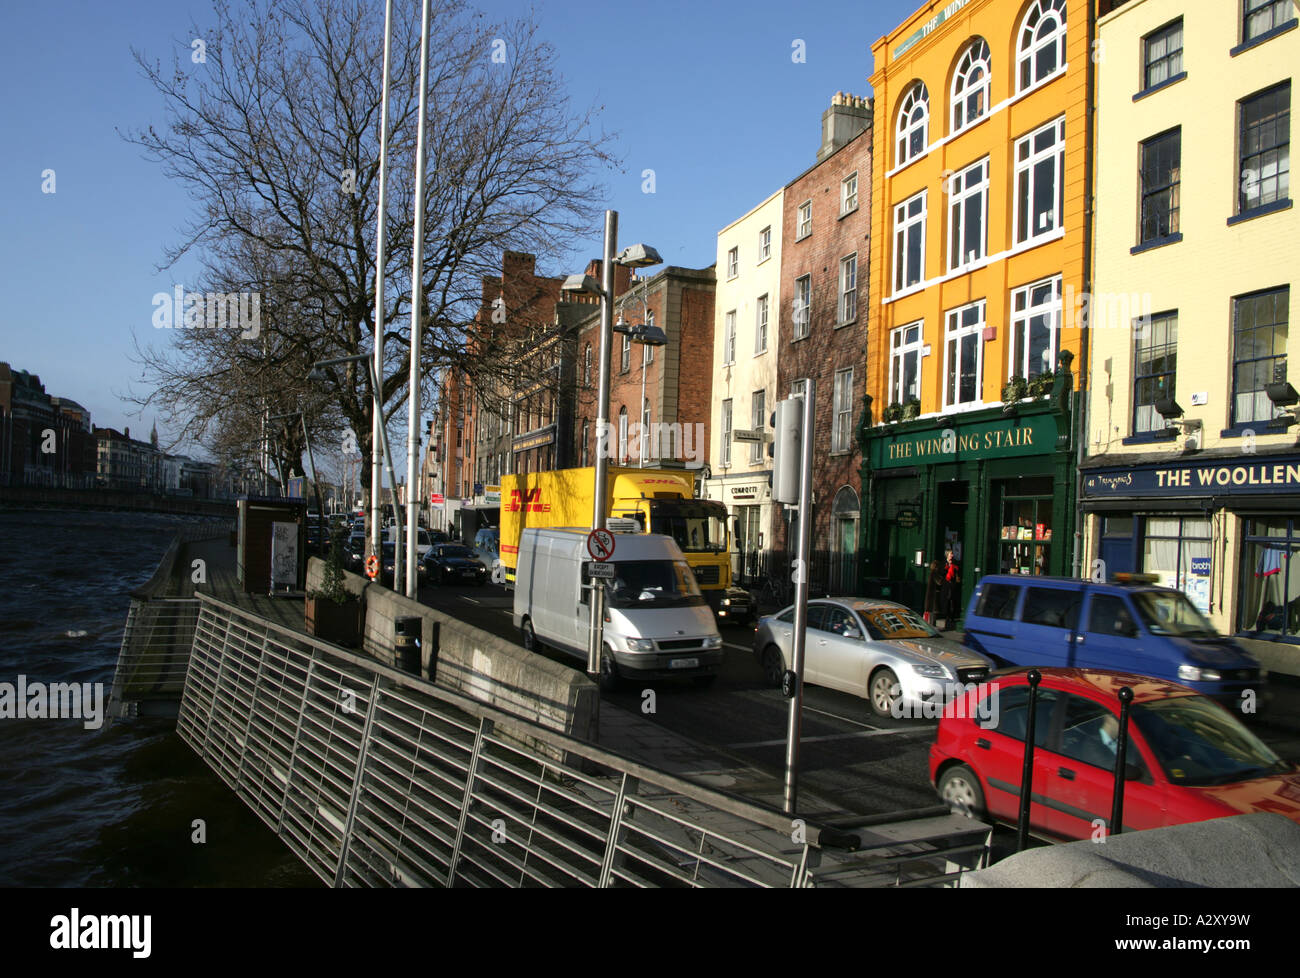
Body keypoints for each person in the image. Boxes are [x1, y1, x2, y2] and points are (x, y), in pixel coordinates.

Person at [940, 549, 961, 628]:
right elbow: (942, 573)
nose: (952, 555)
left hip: (952, 586)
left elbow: (957, 574)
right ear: (947, 555)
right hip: (945, 586)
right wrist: (947, 568)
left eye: (952, 554)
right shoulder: (943, 564)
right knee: (946, 601)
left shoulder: (955, 563)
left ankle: (952, 617)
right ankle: (946, 616)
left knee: (952, 601)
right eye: (951, 554)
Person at [923, 559, 943, 625]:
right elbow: (939, 582)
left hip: (929, 595)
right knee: (930, 611)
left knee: (928, 611)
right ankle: (928, 625)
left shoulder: (931, 572)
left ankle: (928, 624)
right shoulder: (934, 573)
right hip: (931, 595)